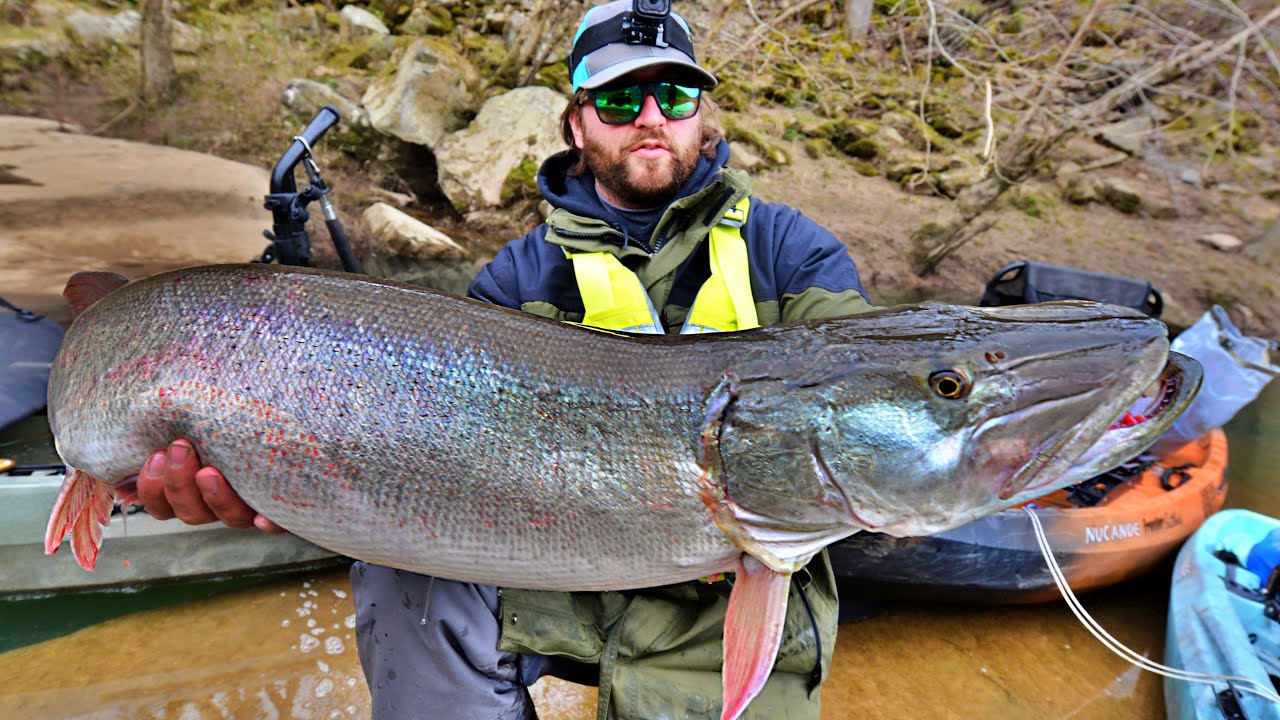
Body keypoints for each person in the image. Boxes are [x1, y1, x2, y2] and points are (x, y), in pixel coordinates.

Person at [129, 1, 875, 717]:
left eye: (674, 95)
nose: (651, 117)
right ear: (577, 124)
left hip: (728, 590)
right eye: (619, 100)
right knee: (405, 579)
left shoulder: (792, 250)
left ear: (701, 118)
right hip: (556, 572)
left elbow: (861, 388)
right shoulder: (515, 279)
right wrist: (287, 480)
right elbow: (434, 462)